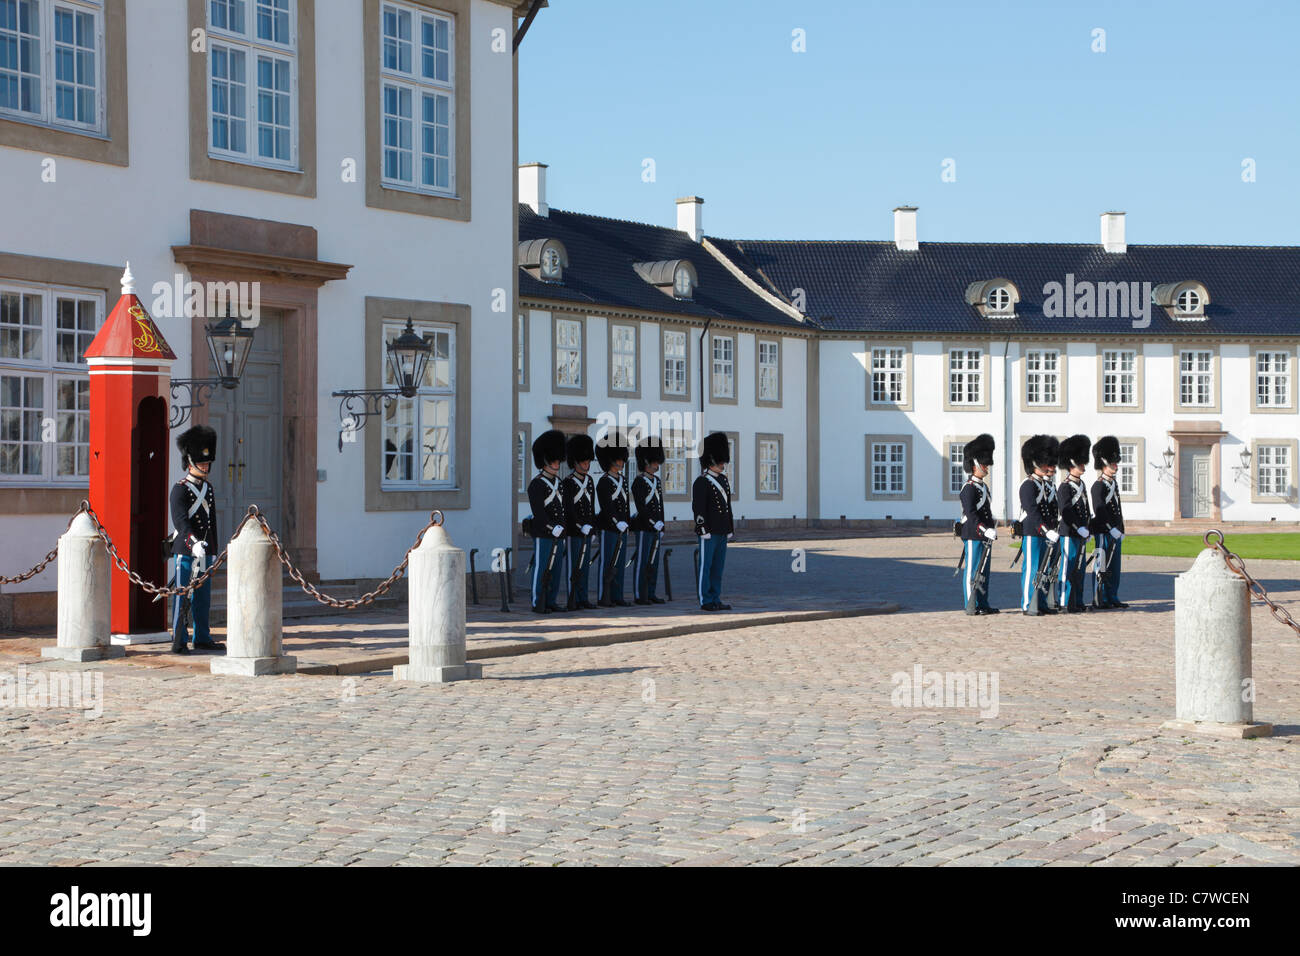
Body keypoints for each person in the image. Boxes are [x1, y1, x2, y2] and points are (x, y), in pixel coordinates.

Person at [170, 425, 222, 654]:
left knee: (203, 598)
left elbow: (211, 522)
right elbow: (181, 523)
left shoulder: (208, 489)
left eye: (207, 463)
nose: (205, 466)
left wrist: (212, 549)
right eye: (201, 463)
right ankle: (179, 639)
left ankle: (202, 636)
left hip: (205, 552)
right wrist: (194, 544)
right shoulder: (179, 490)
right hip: (187, 550)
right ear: (190, 462)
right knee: (183, 597)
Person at [1018, 435, 1060, 616]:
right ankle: (1028, 603)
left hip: (1045, 533)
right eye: (1044, 463)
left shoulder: (1043, 485)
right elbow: (1033, 511)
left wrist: (1053, 528)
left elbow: (1049, 510)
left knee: (1044, 570)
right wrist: (1045, 530)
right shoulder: (1028, 485)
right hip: (1033, 532)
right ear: (1035, 463)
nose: (1048, 467)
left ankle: (1040, 601)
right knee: (1033, 568)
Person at [527, 429, 567, 613]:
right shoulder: (536, 484)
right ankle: (538, 601)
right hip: (544, 532)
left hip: (559, 533)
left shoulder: (559, 482)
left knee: (556, 569)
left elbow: (563, 508)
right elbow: (539, 513)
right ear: (544, 461)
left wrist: (563, 527)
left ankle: (551, 599)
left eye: (558, 460)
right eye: (553, 460)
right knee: (542, 567)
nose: (556, 463)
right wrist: (552, 527)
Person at [693, 431, 734, 611]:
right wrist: (702, 528)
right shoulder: (702, 482)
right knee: (706, 566)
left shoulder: (724, 481)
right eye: (720, 460)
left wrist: (730, 527)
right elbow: (698, 508)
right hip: (709, 531)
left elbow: (728, 507)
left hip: (722, 529)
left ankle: (716, 597)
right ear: (711, 460)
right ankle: (705, 599)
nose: (722, 464)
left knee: (718, 567)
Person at [958, 433, 998, 615]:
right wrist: (983, 529)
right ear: (975, 464)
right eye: (984, 464)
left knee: (984, 572)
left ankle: (983, 602)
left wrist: (989, 529)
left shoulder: (983, 487)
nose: (987, 467)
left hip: (984, 535)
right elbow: (971, 514)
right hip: (974, 534)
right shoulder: (968, 488)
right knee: (972, 571)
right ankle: (971, 604)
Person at [1090, 435, 1129, 609]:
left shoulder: (1113, 484)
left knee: (1114, 566)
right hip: (1103, 531)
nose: (1116, 466)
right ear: (1104, 463)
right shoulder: (1098, 485)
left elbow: (1117, 509)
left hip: (1114, 531)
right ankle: (1100, 596)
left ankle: (1112, 595)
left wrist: (1121, 529)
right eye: (1113, 463)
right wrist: (1110, 528)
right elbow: (1100, 510)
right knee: (1101, 565)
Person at [595, 430, 632, 608]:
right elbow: (606, 506)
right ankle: (604, 595)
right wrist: (617, 522)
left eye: (622, 458)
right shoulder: (604, 481)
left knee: (619, 562)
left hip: (622, 527)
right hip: (608, 527)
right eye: (619, 458)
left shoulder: (623, 480)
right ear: (610, 459)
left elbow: (626, 503)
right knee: (608, 562)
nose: (622, 461)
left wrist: (627, 522)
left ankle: (618, 595)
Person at [1056, 434, 1093, 613]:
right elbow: (1066, 511)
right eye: (1080, 463)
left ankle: (1077, 600)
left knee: (1079, 569)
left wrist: (1088, 527)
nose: (1083, 466)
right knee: (1067, 567)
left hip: (1082, 533)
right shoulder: (1065, 487)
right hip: (1070, 532)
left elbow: (1086, 508)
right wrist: (1079, 527)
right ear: (1072, 464)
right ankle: (1064, 601)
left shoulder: (1082, 484)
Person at [562, 433, 598, 611]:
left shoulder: (589, 481)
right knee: (574, 567)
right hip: (574, 531)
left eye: (588, 461)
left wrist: (592, 528)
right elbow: (569, 509)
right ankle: (573, 597)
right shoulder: (568, 483)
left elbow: (591, 506)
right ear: (575, 462)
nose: (586, 465)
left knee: (584, 567)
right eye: (583, 462)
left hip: (586, 530)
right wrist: (579, 526)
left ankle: (583, 597)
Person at [631, 436, 667, 605]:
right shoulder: (639, 482)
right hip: (644, 527)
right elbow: (641, 507)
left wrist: (663, 525)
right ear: (647, 461)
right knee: (643, 561)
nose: (657, 464)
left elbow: (660, 505)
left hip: (656, 527)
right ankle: (640, 594)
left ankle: (651, 592)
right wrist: (654, 522)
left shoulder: (657, 481)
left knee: (654, 561)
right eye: (654, 461)